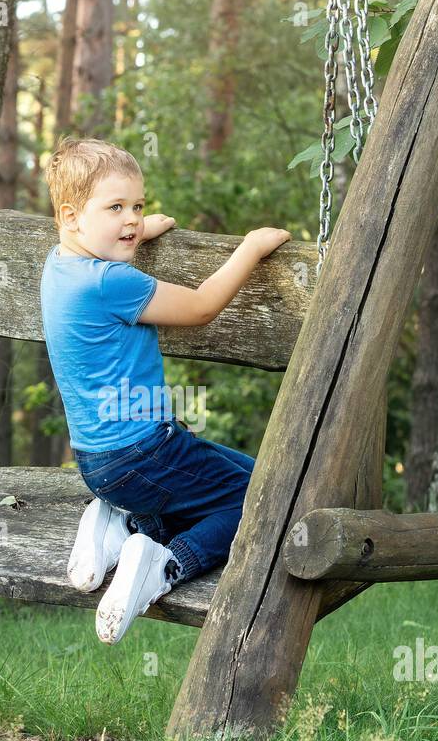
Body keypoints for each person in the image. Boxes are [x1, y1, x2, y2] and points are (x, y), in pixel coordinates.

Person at [39, 137, 290, 643]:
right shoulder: (110, 282)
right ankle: (164, 563)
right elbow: (200, 308)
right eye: (116, 208)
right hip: (146, 453)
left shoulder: (59, 266)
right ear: (71, 216)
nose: (131, 219)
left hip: (100, 463)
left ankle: (124, 527)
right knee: (269, 499)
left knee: (259, 478)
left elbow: (103, 242)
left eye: (138, 206)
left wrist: (133, 233)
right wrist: (251, 247)